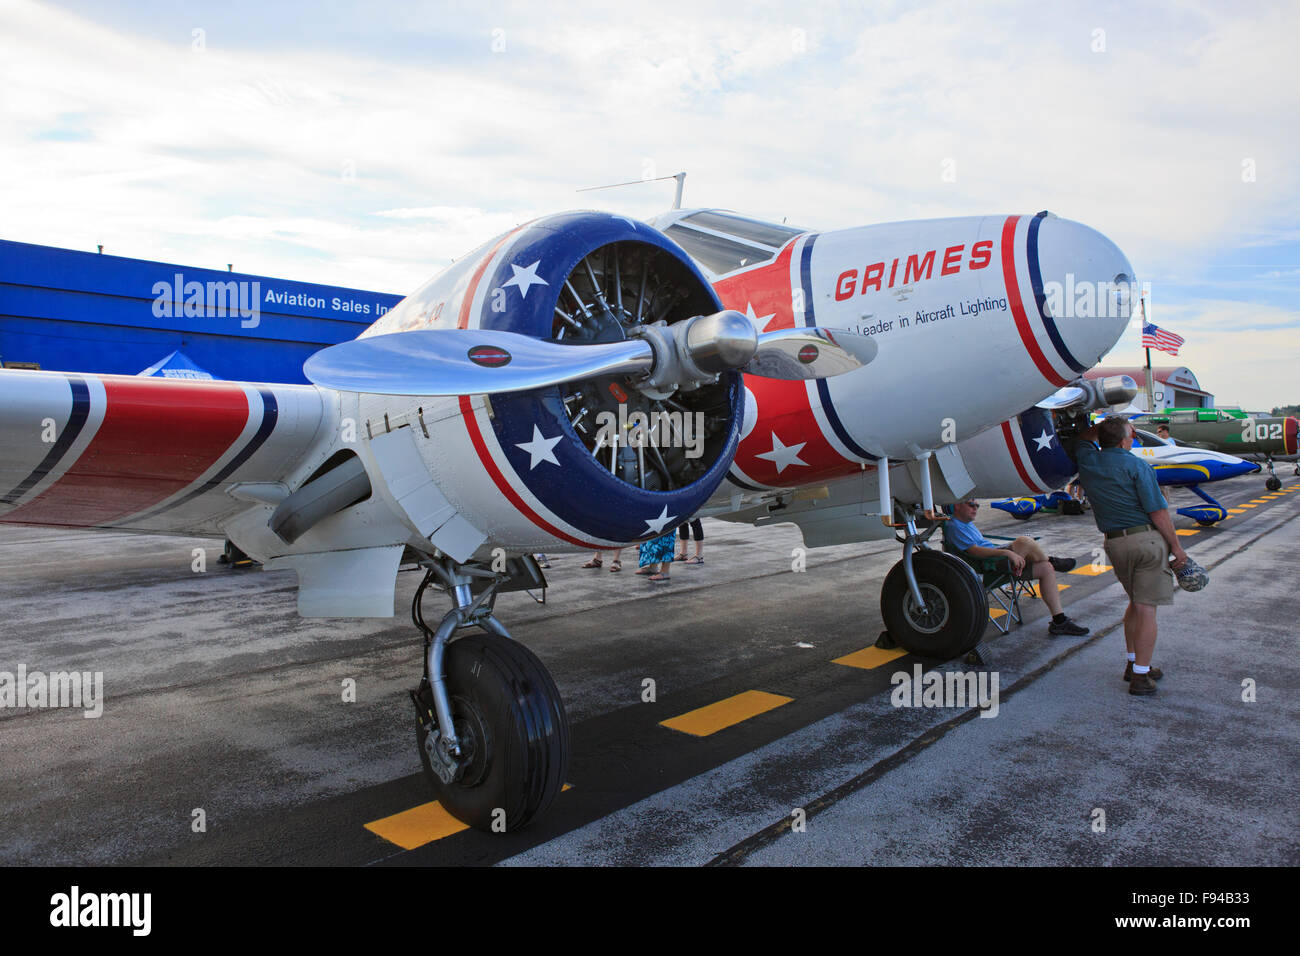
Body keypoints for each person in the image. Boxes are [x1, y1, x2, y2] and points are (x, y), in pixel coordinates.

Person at [1068, 415, 1188, 696]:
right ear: (1124, 440)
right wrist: (1177, 547)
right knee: (1147, 608)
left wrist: (1103, 427)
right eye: (1132, 436)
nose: (1133, 439)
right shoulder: (1137, 465)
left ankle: (1134, 664)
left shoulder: (1088, 459)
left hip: (1114, 544)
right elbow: (1158, 511)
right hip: (1145, 541)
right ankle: (1140, 677)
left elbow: (1084, 439)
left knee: (1135, 602)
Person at [947, 498, 1089, 636]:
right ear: (957, 505)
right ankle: (1052, 560)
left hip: (999, 559)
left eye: (977, 506)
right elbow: (975, 551)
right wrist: (1006, 552)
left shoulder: (966, 523)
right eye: (971, 505)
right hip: (990, 565)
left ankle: (1059, 621)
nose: (975, 509)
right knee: (1024, 541)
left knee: (1046, 568)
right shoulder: (955, 526)